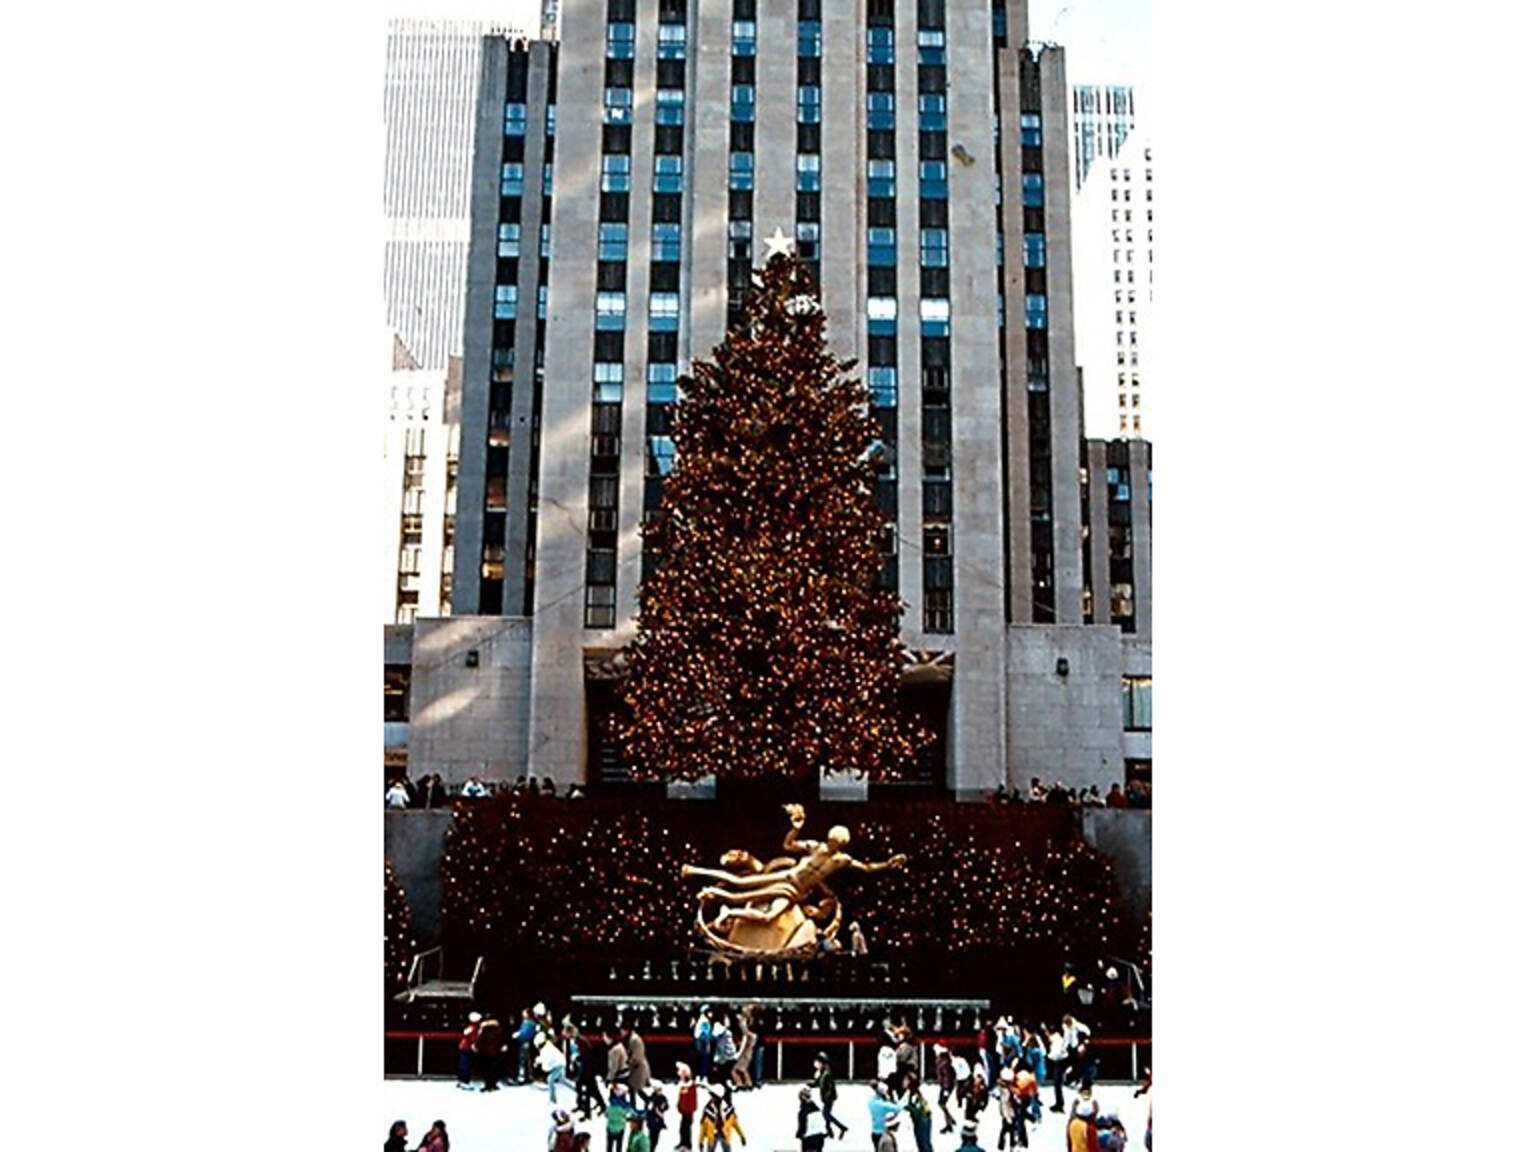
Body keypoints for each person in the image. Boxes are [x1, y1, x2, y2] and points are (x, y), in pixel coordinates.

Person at [698, 1083, 745, 1151]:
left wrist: (741, 1136)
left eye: (712, 1096)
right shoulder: (708, 1109)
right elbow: (703, 1126)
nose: (711, 1097)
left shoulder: (728, 1109)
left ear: (718, 1097)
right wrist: (700, 1141)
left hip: (725, 1135)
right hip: (712, 1136)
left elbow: (735, 1124)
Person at [813, 1051, 848, 1140]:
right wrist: (810, 1084)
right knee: (826, 1114)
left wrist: (827, 1097)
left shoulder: (827, 1074)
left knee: (826, 1114)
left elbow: (830, 1087)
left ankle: (842, 1128)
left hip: (829, 1098)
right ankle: (829, 1131)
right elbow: (817, 1083)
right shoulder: (822, 1073)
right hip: (826, 1098)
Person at [868, 1081, 906, 1152]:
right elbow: (898, 1108)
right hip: (883, 1132)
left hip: (874, 1131)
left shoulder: (872, 1102)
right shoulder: (883, 1105)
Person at [623, 1021, 653, 1097]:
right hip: (636, 1068)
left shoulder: (635, 1040)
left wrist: (629, 1064)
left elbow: (637, 1055)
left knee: (635, 1088)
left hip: (639, 1068)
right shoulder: (631, 1039)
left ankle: (648, 1101)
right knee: (634, 1089)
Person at [475, 1013, 505, 1092]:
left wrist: (477, 1046)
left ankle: (487, 1084)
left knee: (485, 1068)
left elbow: (480, 1039)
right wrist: (502, 1046)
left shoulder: (483, 1029)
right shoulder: (498, 1029)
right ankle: (493, 1084)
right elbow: (501, 1039)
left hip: (485, 1051)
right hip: (495, 1051)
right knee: (494, 1068)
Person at [731, 1008, 758, 1090]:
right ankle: (749, 1084)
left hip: (745, 1053)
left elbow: (744, 1044)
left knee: (734, 1070)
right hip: (749, 1053)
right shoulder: (753, 1036)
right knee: (743, 1069)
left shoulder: (747, 1036)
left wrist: (738, 1053)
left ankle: (739, 1084)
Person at [934, 1042, 957, 1134]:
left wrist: (946, 1088)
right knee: (941, 1104)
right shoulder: (941, 1060)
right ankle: (950, 1120)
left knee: (942, 1103)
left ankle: (949, 1122)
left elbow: (947, 1076)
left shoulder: (944, 1061)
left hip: (946, 1085)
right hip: (944, 1085)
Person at [676, 1062, 700, 1151]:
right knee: (682, 1128)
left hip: (688, 1112)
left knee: (686, 1129)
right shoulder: (683, 1086)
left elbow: (692, 1100)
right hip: (684, 1111)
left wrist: (690, 1110)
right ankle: (682, 1142)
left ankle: (687, 1144)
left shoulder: (691, 1086)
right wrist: (679, 1106)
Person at [796, 1085, 828, 1152]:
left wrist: (799, 1134)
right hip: (820, 1138)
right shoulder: (818, 1110)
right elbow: (824, 1123)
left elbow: (802, 1127)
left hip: (808, 1140)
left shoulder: (803, 1112)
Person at [906, 1081, 935, 1152]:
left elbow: (917, 1109)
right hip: (922, 1119)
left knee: (923, 1143)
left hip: (922, 1119)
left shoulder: (915, 1096)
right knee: (924, 1143)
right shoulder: (914, 1094)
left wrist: (908, 1108)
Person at [606, 1085, 635, 1152]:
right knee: (619, 1147)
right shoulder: (625, 1108)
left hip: (610, 1128)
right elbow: (632, 1111)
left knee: (609, 1147)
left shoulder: (610, 1106)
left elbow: (606, 1114)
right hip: (620, 1129)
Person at [457, 1011, 481, 1090]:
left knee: (463, 1063)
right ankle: (464, 1081)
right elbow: (472, 1037)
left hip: (463, 1046)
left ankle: (461, 1080)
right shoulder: (474, 1027)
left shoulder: (469, 1027)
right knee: (466, 1064)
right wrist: (473, 1045)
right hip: (466, 1047)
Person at [692, 1008, 714, 1080]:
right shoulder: (704, 1021)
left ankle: (700, 1076)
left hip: (699, 1042)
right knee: (704, 1059)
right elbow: (705, 1034)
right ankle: (702, 1077)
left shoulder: (701, 1020)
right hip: (702, 1043)